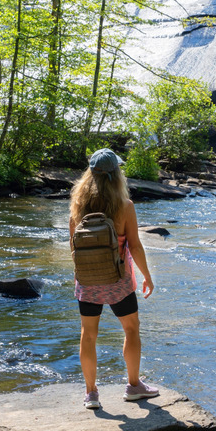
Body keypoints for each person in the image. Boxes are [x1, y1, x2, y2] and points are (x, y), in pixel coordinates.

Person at [69, 149, 158, 409]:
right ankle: (133, 386)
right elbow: (135, 246)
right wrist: (147, 277)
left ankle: (91, 394)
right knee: (131, 329)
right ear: (116, 175)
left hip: (87, 281)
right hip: (119, 280)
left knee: (88, 335)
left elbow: (73, 249)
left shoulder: (76, 207)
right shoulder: (124, 206)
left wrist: (86, 276)